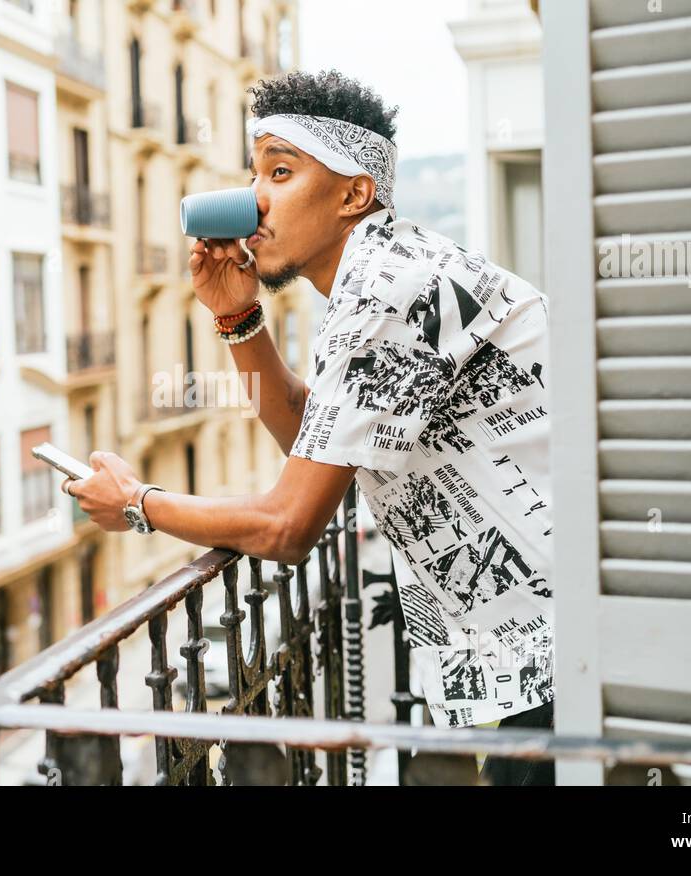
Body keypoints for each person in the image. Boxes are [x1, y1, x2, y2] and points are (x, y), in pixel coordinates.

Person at [64, 69, 556, 785]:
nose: (253, 199)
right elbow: (310, 436)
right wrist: (237, 319)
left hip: (548, 662)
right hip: (510, 659)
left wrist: (139, 504)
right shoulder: (384, 273)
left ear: (354, 194)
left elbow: (289, 527)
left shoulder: (390, 290)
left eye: (282, 172)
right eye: (253, 173)